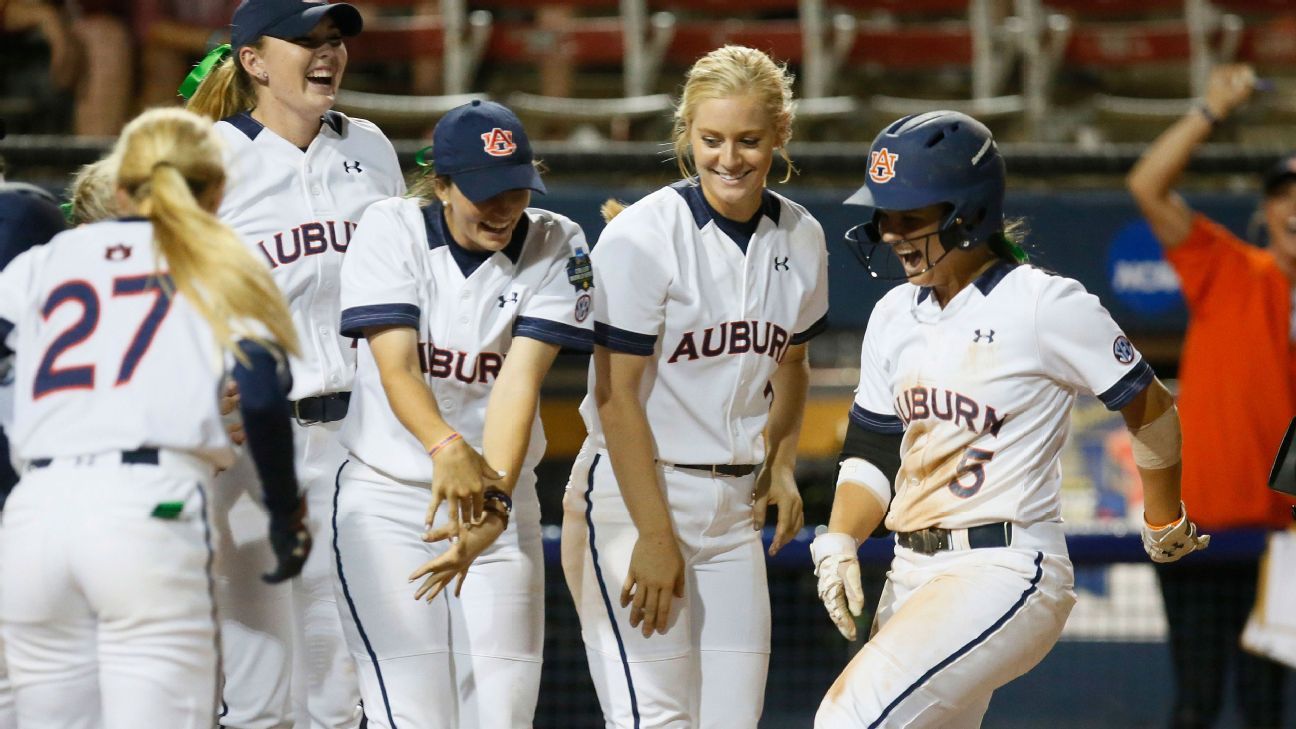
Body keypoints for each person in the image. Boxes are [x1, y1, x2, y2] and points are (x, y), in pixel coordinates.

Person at [811, 110, 1210, 729]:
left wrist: (1164, 517)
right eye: (883, 215)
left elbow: (1150, 406)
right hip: (911, 571)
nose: (889, 232)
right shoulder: (892, 313)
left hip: (1003, 567)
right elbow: (871, 451)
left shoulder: (1042, 303)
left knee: (847, 720)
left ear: (967, 214)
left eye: (909, 216)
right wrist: (839, 538)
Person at [0, 106, 309, 729]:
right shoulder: (221, 259)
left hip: (34, 515)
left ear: (119, 188)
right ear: (217, 189)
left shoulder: (44, 259)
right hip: (147, 508)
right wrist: (282, 509)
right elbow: (261, 394)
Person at [561, 44, 826, 729]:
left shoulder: (802, 236)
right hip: (637, 494)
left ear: (780, 135)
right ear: (687, 136)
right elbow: (616, 400)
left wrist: (784, 461)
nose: (729, 158)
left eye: (749, 140)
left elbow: (793, 363)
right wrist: (653, 532)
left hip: (735, 511)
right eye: (711, 140)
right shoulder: (644, 236)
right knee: (658, 720)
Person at [334, 99, 591, 729]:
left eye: (515, 189)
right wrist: (445, 446)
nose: (504, 207)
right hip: (390, 500)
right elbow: (397, 366)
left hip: (499, 500)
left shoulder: (558, 240)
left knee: (501, 717)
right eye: (484, 191)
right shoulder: (390, 227)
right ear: (442, 184)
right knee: (414, 717)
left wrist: (496, 502)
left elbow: (519, 380)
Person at [185, 1, 405, 726]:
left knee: (342, 694)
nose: (327, 53)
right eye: (305, 40)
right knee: (258, 696)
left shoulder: (370, 146)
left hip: (362, 442)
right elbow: (171, 302)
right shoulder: (207, 157)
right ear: (252, 60)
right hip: (255, 446)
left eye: (334, 39)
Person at [1127, 64, 1294, 729]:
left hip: (1282, 538)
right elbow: (1146, 183)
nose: (1295, 207)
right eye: (1284, 194)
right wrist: (1211, 109)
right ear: (1266, 210)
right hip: (1199, 530)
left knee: (1265, 709)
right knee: (1195, 704)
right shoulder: (1229, 267)